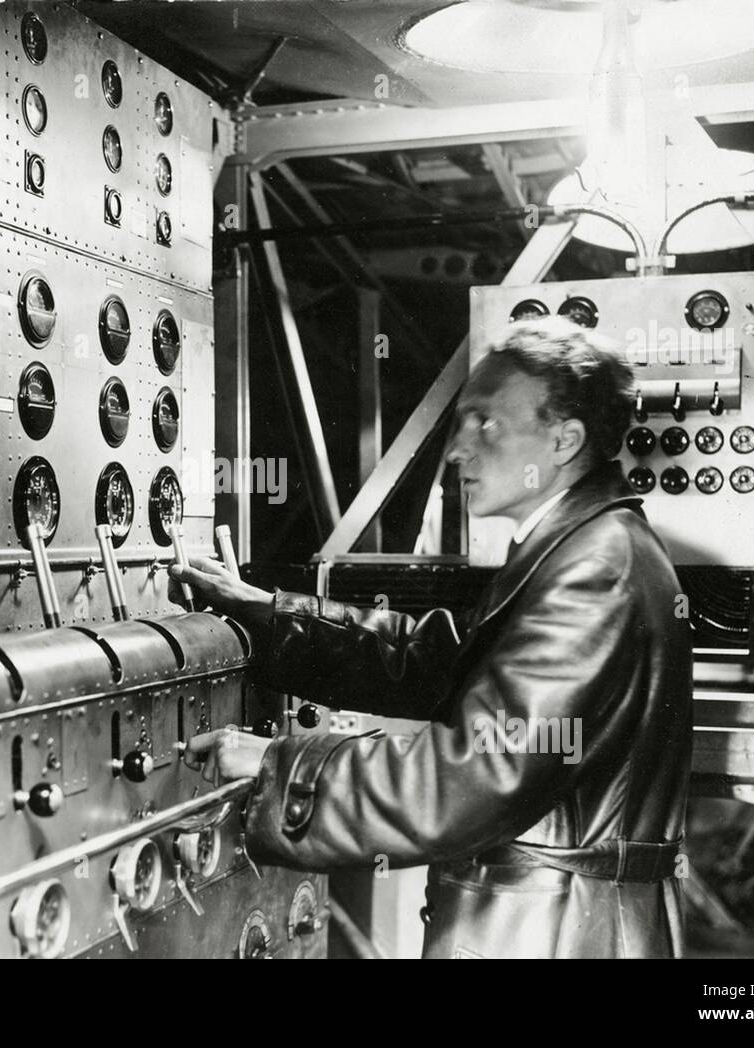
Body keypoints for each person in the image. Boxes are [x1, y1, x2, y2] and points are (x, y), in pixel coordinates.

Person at [172, 317, 693, 958]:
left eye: (486, 423)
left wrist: (281, 765)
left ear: (565, 440)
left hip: (555, 935)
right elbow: (429, 662)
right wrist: (266, 615)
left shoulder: (596, 566)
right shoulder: (577, 547)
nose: (457, 448)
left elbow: (476, 776)